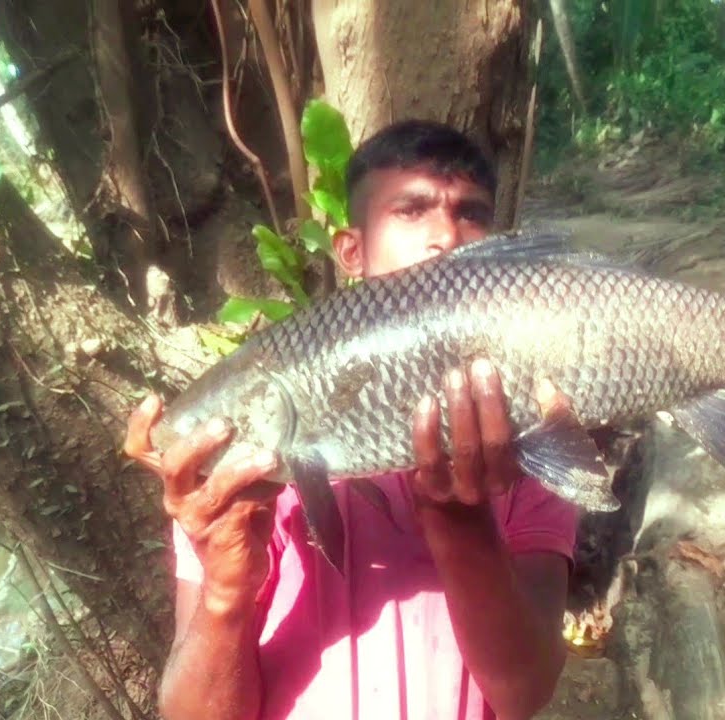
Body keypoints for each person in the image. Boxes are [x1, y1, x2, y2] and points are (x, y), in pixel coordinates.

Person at [123, 119, 580, 720]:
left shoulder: (529, 425)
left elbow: (524, 694)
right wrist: (225, 592)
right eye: (412, 210)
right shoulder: (237, 479)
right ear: (351, 252)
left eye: (471, 214)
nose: (446, 235)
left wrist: (463, 520)